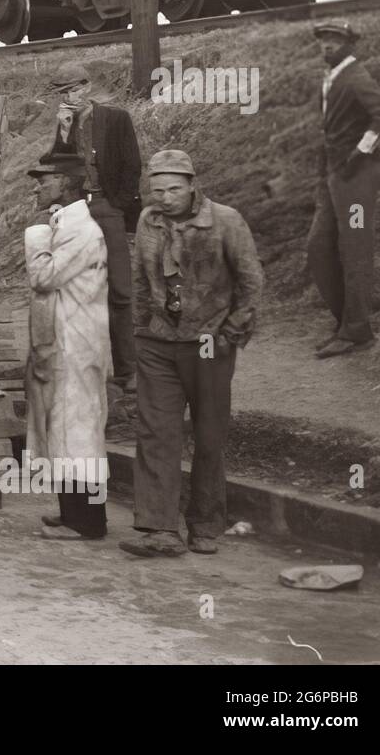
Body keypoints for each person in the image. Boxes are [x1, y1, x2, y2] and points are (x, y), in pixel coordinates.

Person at [121, 150, 264, 558]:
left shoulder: (226, 221)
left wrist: (231, 333)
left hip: (208, 343)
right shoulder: (148, 222)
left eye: (174, 189)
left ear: (192, 185)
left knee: (209, 434)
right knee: (155, 434)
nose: (164, 197)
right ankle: (159, 528)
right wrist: (141, 330)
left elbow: (251, 281)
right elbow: (139, 282)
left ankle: (205, 525)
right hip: (158, 343)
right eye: (157, 189)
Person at [42, 61, 142, 402]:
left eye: (73, 89)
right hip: (77, 211)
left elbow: (132, 165)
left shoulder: (115, 118)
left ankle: (128, 370)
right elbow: (58, 167)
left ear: (86, 87)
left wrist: (119, 205)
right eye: (63, 93)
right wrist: (65, 131)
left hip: (107, 207)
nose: (70, 96)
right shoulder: (65, 125)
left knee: (119, 292)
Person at [24, 152, 110, 540]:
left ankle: (89, 522)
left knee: (79, 432)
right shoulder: (66, 223)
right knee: (63, 428)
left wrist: (36, 238)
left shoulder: (78, 229)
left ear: (66, 182)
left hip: (77, 343)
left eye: (45, 180)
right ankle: (71, 513)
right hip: (67, 340)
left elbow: (44, 277)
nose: (38, 186)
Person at [305, 20, 380, 358]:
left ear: (350, 44)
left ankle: (357, 331)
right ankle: (348, 320)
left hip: (357, 179)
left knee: (356, 249)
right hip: (335, 178)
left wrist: (359, 153)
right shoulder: (332, 76)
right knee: (318, 247)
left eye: (335, 39)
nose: (327, 45)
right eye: (323, 40)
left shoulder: (357, 76)